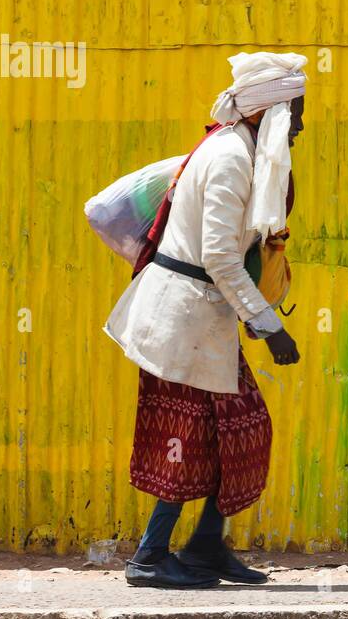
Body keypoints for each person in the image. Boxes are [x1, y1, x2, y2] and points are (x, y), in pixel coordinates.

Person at [104, 52, 306, 588]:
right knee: (190, 437)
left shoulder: (236, 150)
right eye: (296, 114)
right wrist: (269, 323)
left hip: (200, 321)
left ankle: (203, 548)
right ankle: (150, 558)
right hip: (182, 320)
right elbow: (218, 256)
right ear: (268, 115)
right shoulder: (231, 159)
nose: (302, 127)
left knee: (241, 432)